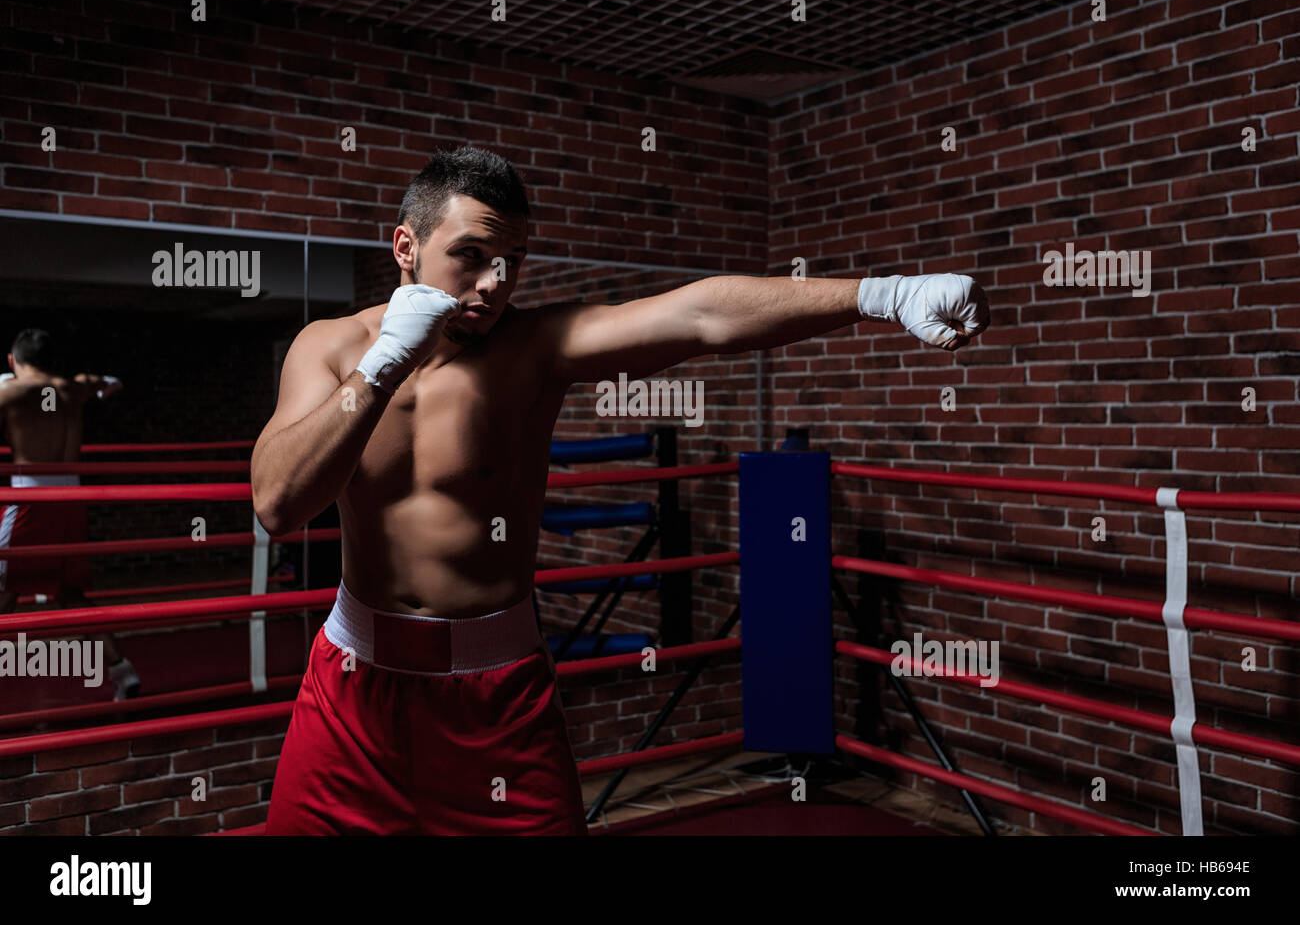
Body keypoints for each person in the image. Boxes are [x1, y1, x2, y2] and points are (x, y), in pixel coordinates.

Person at [257, 145, 989, 834]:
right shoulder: (330, 347)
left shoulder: (535, 348)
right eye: (471, 257)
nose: (494, 284)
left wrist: (883, 294)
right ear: (405, 248)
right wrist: (386, 362)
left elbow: (700, 316)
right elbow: (279, 504)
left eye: (512, 262)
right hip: (354, 693)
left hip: (498, 700)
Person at [0, 328, 139, 700]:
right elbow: (110, 384)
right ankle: (123, 674)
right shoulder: (75, 387)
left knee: (3, 592)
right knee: (68, 593)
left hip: (31, 503)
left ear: (13, 361)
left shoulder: (12, 392)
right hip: (71, 503)